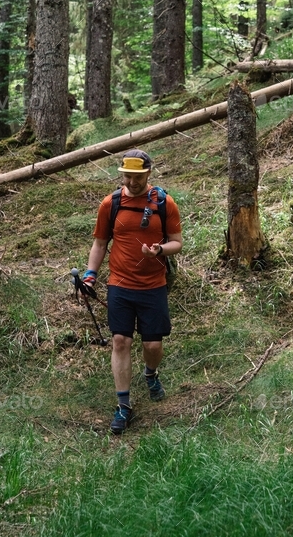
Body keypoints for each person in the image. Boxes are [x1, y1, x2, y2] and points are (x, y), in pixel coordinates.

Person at [82, 149, 183, 434]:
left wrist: (159, 251)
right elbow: (100, 243)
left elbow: (177, 242)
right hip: (120, 285)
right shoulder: (111, 204)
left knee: (152, 346)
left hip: (153, 286)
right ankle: (123, 406)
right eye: (127, 175)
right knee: (120, 341)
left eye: (137, 176)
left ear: (148, 173)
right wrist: (90, 275)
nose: (131, 180)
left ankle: (150, 374)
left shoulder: (165, 203)